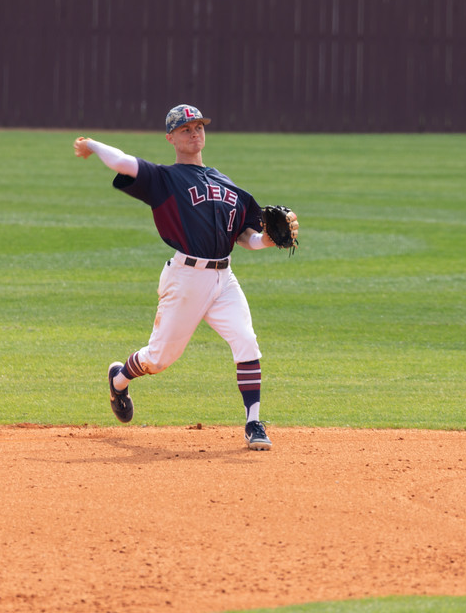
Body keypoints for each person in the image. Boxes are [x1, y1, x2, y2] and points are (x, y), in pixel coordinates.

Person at [72, 104, 298, 451]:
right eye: (185, 130)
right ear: (171, 138)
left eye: (198, 128)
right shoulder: (165, 179)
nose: (194, 134)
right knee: (159, 359)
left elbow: (246, 238)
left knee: (246, 341)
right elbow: (122, 162)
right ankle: (119, 378)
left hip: (225, 279)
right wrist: (92, 145)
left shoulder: (227, 184)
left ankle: (253, 422)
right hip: (185, 279)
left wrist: (266, 240)